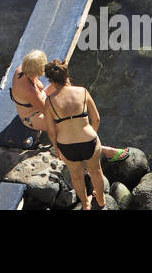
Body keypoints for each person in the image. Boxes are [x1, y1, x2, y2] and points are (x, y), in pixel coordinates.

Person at [42, 60, 114, 210]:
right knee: (96, 171)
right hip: (89, 140)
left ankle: (85, 204)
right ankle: (101, 201)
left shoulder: (49, 102)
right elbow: (97, 118)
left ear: (51, 81)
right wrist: (92, 134)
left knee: (76, 176)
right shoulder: (82, 91)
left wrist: (57, 148)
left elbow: (51, 131)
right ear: (67, 74)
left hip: (67, 145)